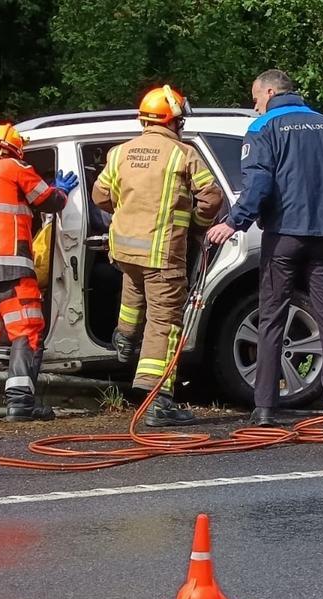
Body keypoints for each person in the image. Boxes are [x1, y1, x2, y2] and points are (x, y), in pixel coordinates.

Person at [206, 69, 323, 428]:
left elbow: (258, 183)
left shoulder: (263, 129)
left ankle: (264, 409)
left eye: (256, 98)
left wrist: (234, 222)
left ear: (272, 91)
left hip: (283, 238)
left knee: (272, 318)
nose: (255, 105)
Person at [92, 85, 224, 427]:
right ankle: (157, 399)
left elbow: (101, 195)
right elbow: (212, 199)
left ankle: (124, 337)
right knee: (164, 323)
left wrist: (127, 206)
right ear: (174, 120)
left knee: (133, 294)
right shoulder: (184, 154)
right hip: (162, 253)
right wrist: (196, 224)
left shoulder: (120, 153)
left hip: (125, 251)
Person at [0, 122, 79, 421]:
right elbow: (48, 201)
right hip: (11, 265)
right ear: (13, 149)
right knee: (26, 331)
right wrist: (61, 191)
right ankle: (21, 402)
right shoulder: (14, 168)